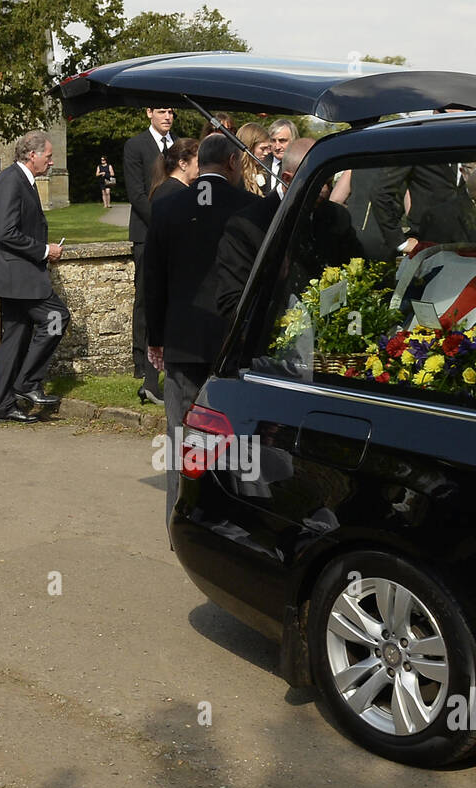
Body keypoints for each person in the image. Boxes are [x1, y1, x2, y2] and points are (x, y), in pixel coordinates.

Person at [143, 134, 260, 530]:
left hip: (183, 339)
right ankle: (231, 527)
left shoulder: (168, 206)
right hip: (235, 343)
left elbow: (152, 280)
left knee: (182, 438)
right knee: (237, 441)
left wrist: (155, 337)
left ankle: (179, 525)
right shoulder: (252, 208)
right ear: (232, 161)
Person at [216, 138, 362, 327]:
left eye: (328, 181)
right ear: (287, 178)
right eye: (316, 182)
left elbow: (355, 276)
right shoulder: (249, 225)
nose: (325, 190)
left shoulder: (337, 217)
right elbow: (232, 301)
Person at [0, 130, 68, 425]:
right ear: (33, 155)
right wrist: (45, 250)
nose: (52, 162)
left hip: (15, 274)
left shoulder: (19, 180)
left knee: (14, 339)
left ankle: (3, 406)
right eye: (49, 156)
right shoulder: (12, 181)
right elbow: (6, 232)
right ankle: (27, 383)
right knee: (57, 317)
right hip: (17, 275)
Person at [123, 107, 176, 405]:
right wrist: (162, 223)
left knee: (169, 300)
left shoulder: (179, 145)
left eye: (170, 112)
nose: (167, 116)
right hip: (146, 234)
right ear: (148, 114)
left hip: (172, 235)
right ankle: (140, 362)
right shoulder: (136, 146)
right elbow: (136, 194)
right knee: (145, 299)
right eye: (161, 112)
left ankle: (165, 365)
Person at [236, 123, 274, 197]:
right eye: (263, 149)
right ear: (249, 147)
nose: (266, 153)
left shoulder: (264, 172)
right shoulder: (236, 176)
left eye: (268, 148)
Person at [266, 119, 299, 195]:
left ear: (293, 140)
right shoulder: (260, 163)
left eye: (282, 141)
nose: (277, 147)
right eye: (273, 141)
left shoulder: (301, 165)